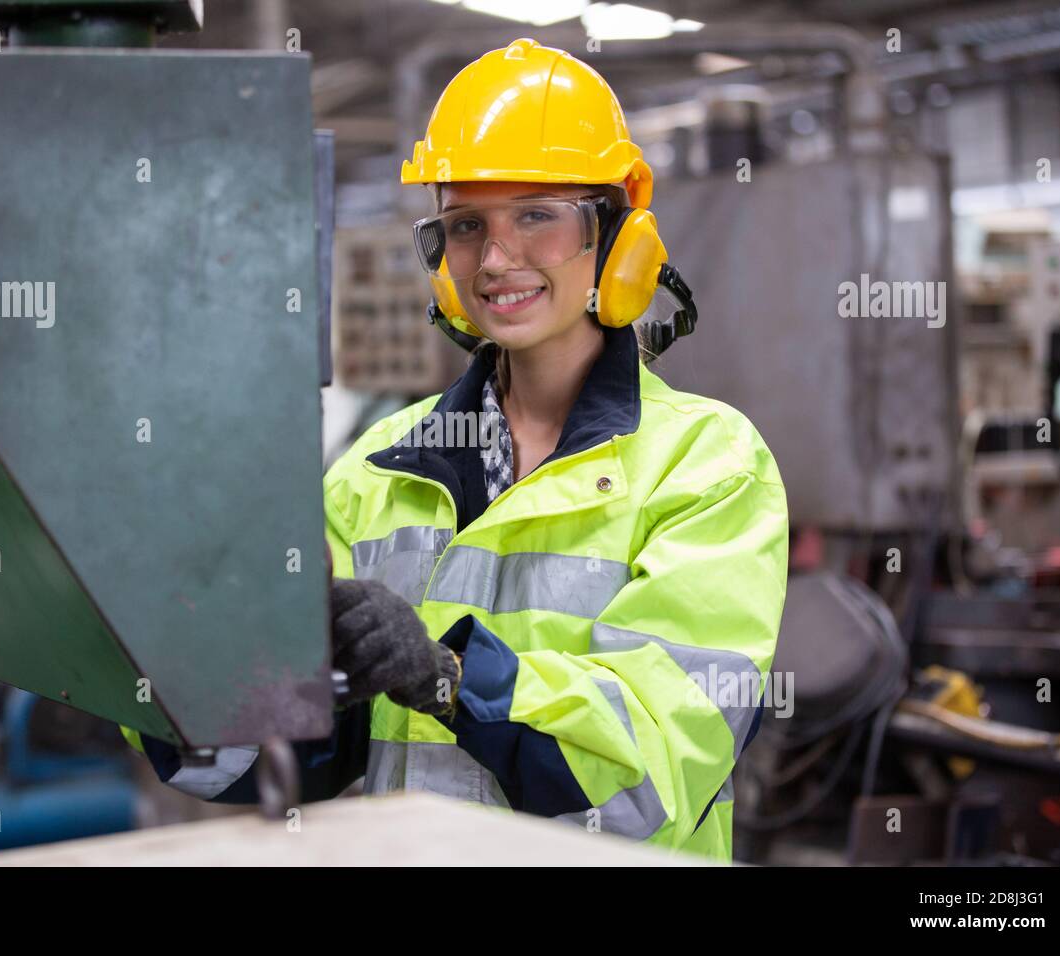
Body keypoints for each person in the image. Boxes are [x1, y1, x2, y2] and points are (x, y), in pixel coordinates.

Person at [130, 37, 788, 861]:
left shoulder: (710, 465)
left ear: (617, 229)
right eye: (467, 224)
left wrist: (446, 677)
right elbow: (289, 768)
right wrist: (169, 654)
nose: (498, 259)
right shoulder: (375, 471)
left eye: (538, 216)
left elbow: (648, 778)